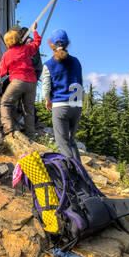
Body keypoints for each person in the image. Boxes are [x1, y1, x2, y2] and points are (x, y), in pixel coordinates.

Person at [0, 25, 44, 141]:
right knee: (29, 109)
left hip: (18, 81)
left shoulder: (7, 54)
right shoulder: (26, 48)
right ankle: (30, 134)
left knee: (5, 103)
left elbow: (1, 73)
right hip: (32, 82)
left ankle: (8, 128)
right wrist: (35, 30)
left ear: (7, 42)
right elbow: (37, 42)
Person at [46, 30, 86, 163]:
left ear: (50, 44)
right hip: (76, 104)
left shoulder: (49, 65)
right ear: (67, 44)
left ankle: (72, 175)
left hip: (60, 105)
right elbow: (79, 81)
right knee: (71, 141)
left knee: (62, 144)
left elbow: (46, 87)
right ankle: (80, 173)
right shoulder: (76, 62)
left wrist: (48, 100)